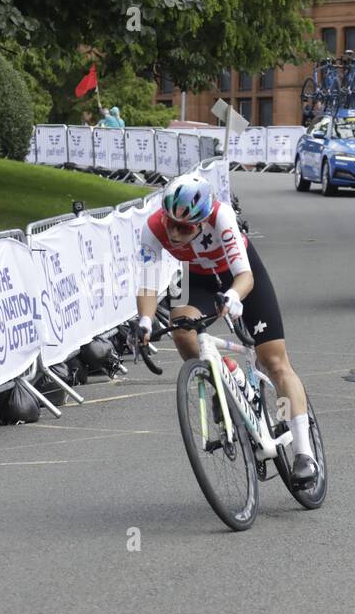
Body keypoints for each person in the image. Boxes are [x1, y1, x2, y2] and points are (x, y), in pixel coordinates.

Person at [135, 173, 320, 486]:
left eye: (186, 228)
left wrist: (234, 297)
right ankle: (225, 379)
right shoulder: (153, 228)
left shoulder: (221, 216)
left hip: (240, 274)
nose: (176, 233)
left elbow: (244, 276)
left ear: (203, 221)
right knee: (181, 329)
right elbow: (148, 283)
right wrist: (143, 321)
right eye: (171, 224)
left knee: (273, 361)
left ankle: (304, 452)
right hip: (197, 278)